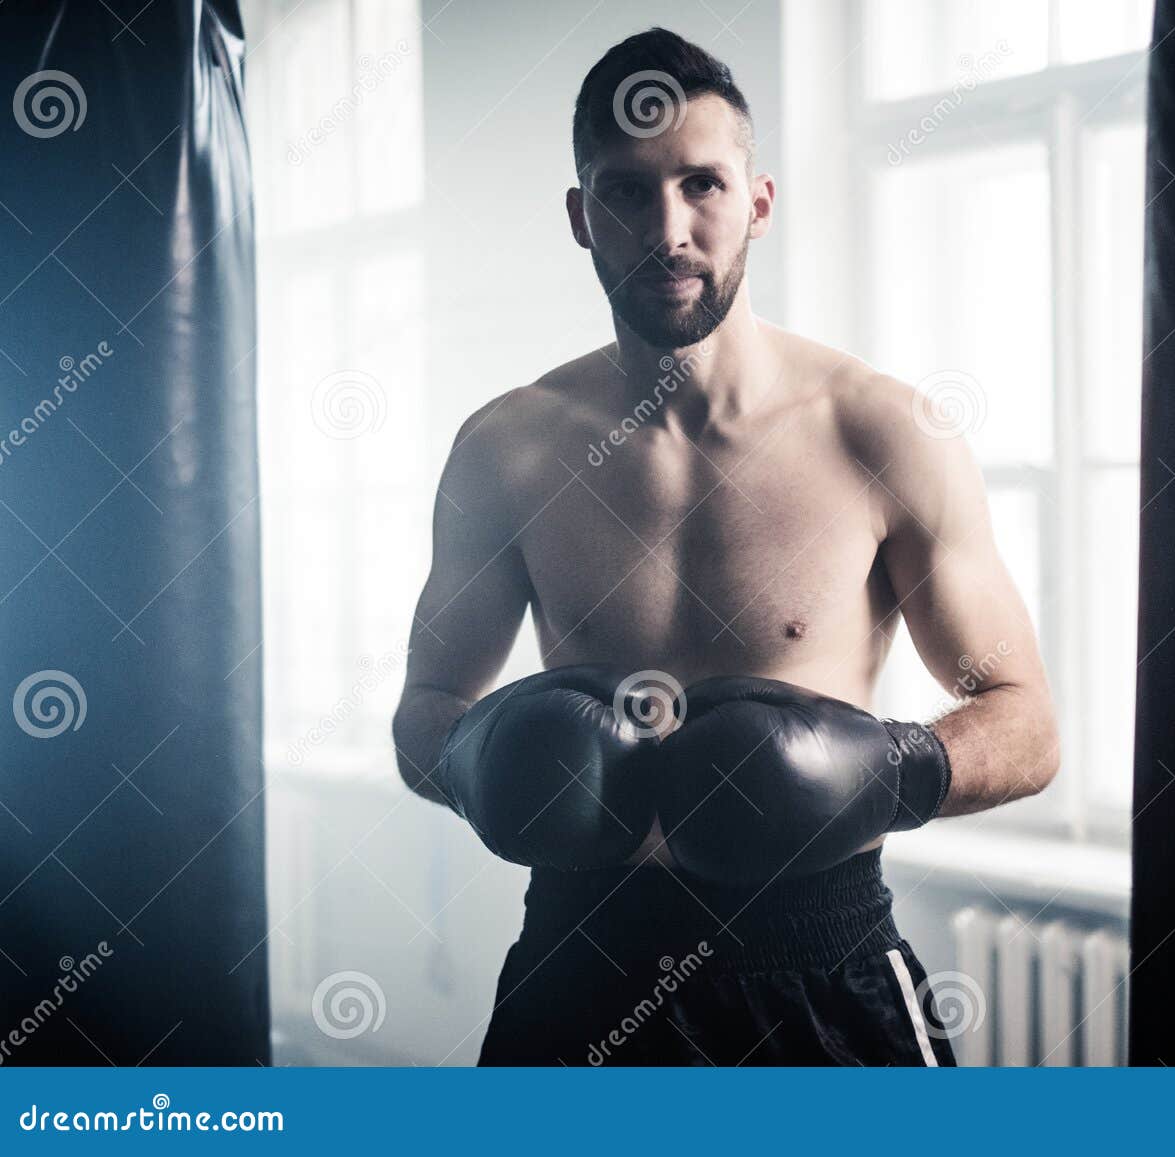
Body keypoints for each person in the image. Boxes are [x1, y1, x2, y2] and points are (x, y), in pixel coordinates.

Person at [391, 26, 1059, 1066]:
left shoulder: (881, 433)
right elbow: (425, 710)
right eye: (625, 191)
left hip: (818, 965)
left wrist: (890, 771)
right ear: (580, 216)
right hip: (578, 963)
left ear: (758, 202)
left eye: (702, 184)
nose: (668, 230)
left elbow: (1027, 724)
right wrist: (479, 762)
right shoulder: (506, 450)